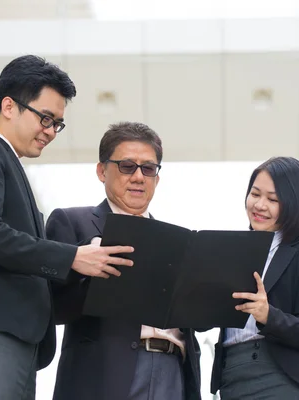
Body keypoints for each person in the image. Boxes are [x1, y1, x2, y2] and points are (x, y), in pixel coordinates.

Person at [0, 55, 134, 400]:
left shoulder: (8, 163)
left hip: (17, 342)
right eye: (45, 118)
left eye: (58, 124)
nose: (51, 131)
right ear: (9, 106)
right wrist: (72, 256)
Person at [46, 121, 202, 400]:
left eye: (149, 168)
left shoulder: (177, 241)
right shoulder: (72, 222)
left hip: (173, 370)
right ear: (101, 170)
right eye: (127, 166)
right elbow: (52, 307)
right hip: (106, 376)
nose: (139, 177)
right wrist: (100, 274)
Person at [210, 156, 299, 399]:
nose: (260, 205)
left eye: (273, 199)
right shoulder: (231, 251)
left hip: (281, 380)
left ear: (295, 205)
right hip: (231, 379)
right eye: (255, 194)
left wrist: (268, 315)